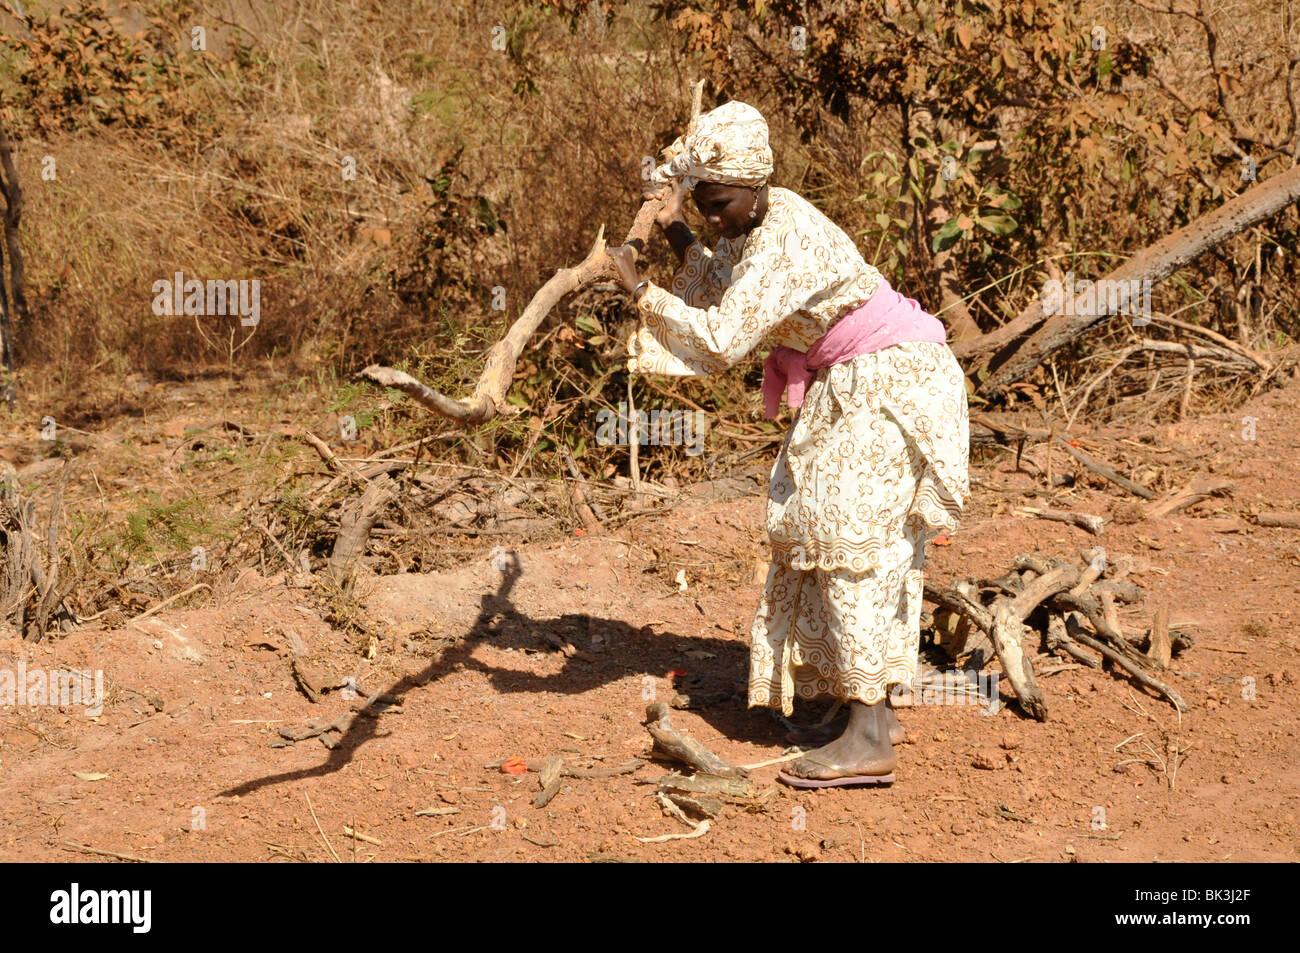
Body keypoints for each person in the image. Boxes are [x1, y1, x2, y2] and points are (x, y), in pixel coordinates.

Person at [606, 100, 970, 788]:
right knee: (825, 528)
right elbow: (724, 280)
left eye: (718, 205)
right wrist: (677, 222)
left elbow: (719, 338)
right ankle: (866, 710)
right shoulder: (763, 216)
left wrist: (643, 291)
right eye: (705, 207)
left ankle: (868, 734)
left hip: (887, 381)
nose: (714, 220)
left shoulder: (785, 236)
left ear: (755, 184)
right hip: (858, 379)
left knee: (851, 538)